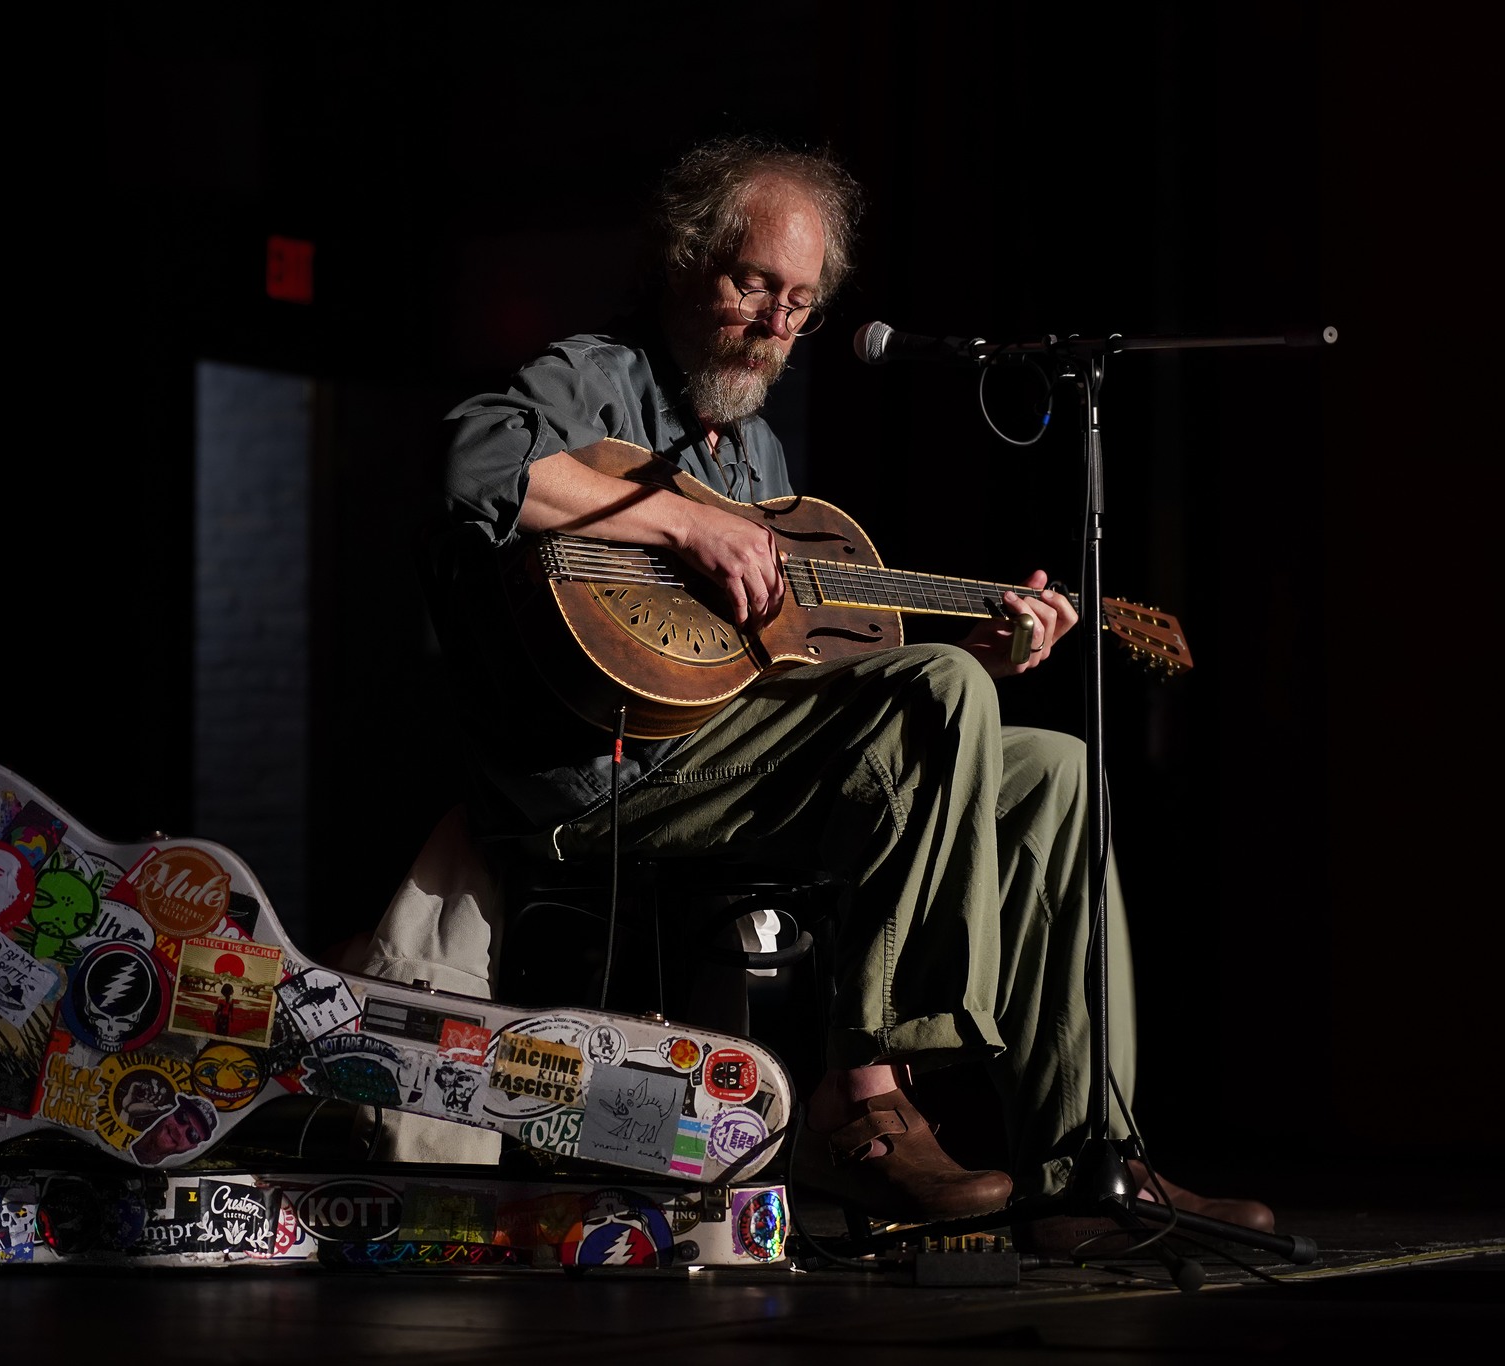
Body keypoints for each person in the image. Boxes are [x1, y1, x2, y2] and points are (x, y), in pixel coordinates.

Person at [424, 135, 1270, 1248]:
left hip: (730, 758)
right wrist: (679, 517)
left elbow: (804, 679)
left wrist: (991, 646)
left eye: (802, 302)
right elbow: (469, 464)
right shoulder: (597, 376)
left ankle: (1082, 1165)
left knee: (1051, 766)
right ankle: (862, 1098)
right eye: (753, 286)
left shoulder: (758, 454)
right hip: (599, 781)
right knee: (932, 691)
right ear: (686, 260)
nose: (778, 324)